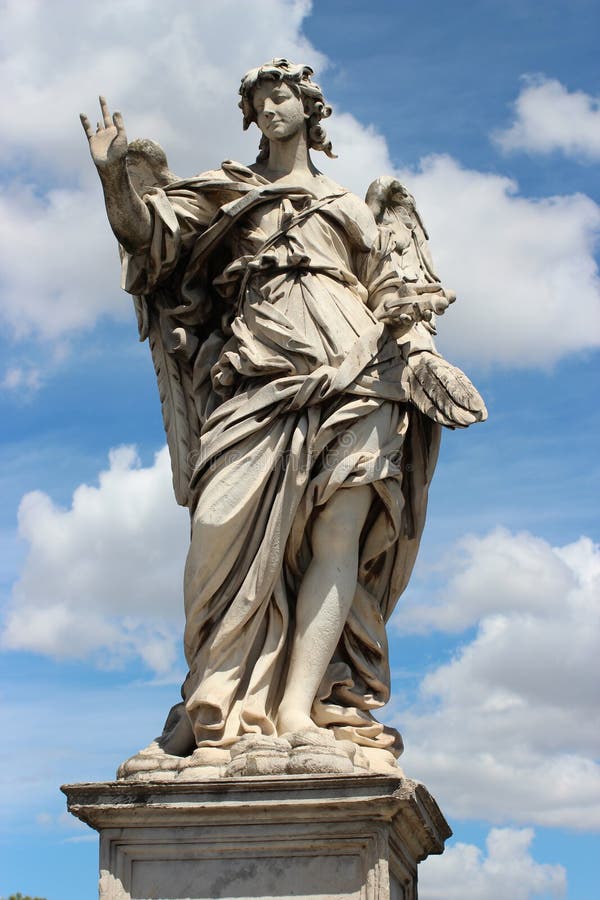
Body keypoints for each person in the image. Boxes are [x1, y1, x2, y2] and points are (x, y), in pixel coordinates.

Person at [81, 59, 485, 774]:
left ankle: (298, 708)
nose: (269, 107)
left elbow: (401, 294)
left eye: (281, 95)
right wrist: (115, 175)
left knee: (337, 539)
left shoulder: (354, 205)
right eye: (258, 99)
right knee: (218, 532)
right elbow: (151, 242)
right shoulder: (229, 190)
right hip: (257, 375)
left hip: (359, 374)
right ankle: (218, 703)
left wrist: (423, 361)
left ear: (310, 108)